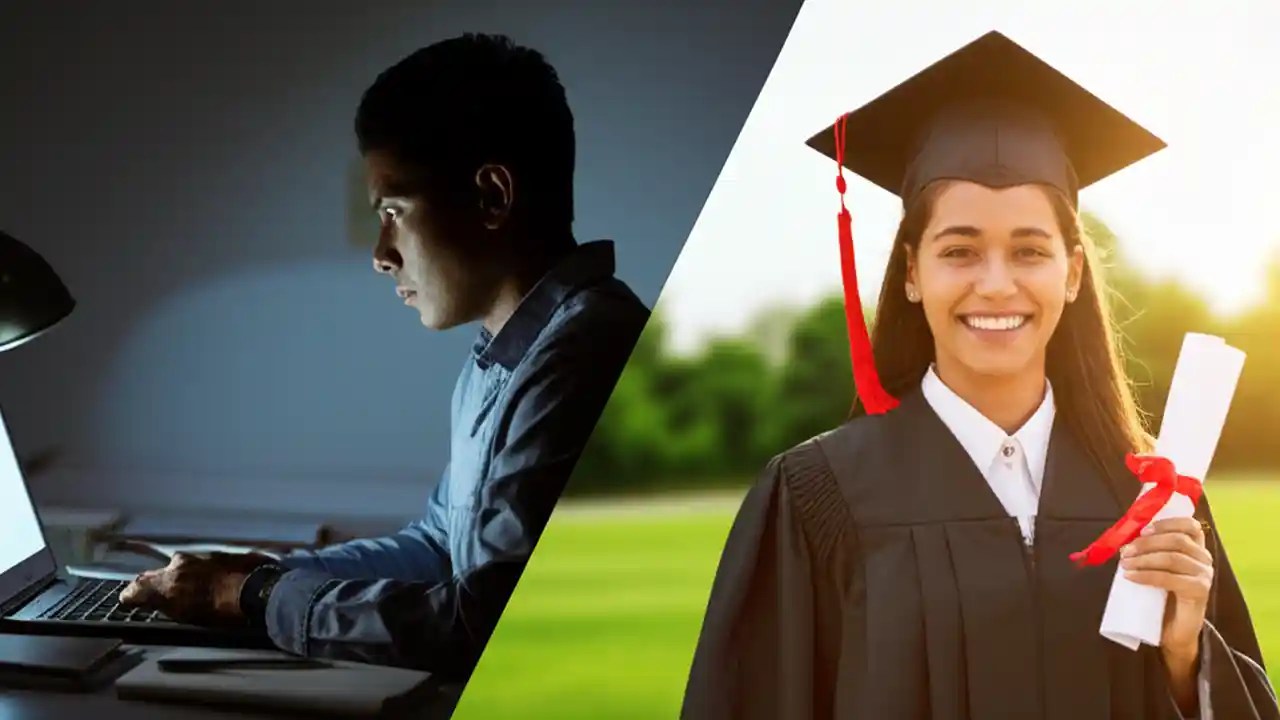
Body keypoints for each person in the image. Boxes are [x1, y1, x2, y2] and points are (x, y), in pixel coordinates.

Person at [681, 31, 1278, 719]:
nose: (996, 285)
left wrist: (1185, 659)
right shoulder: (818, 499)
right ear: (911, 271)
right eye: (960, 250)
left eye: (1029, 251)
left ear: (1074, 271)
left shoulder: (1153, 503)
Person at [117, 33, 650, 681]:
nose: (380, 253)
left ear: (492, 196)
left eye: (394, 210)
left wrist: (250, 598)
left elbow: (485, 622)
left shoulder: (585, 353)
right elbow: (437, 548)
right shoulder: (510, 354)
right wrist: (266, 576)